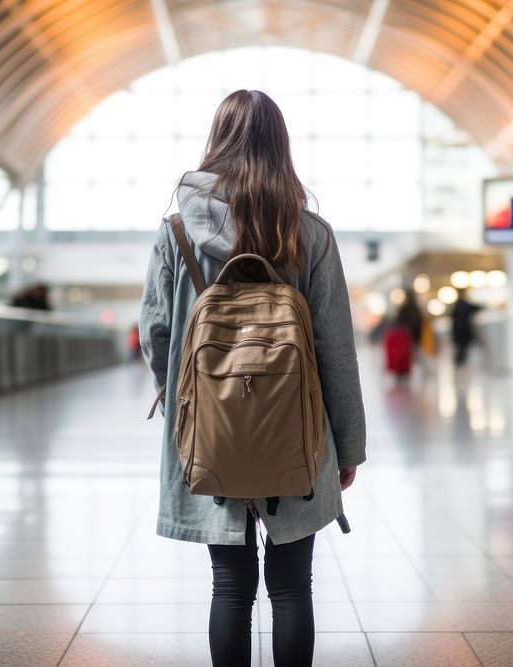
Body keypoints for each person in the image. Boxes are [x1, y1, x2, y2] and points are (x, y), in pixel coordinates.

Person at [139, 90, 366, 667]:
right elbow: (335, 348)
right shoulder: (310, 233)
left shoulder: (176, 230)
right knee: (292, 587)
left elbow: (156, 335)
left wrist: (195, 412)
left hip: (211, 434)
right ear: (280, 147)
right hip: (298, 429)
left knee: (230, 587)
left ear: (218, 142)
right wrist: (348, 447)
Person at [449, 288, 482, 367]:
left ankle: (459, 363)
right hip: (464, 331)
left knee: (460, 348)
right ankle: (461, 364)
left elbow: (451, 315)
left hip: (457, 331)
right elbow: (476, 308)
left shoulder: (456, 305)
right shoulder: (464, 304)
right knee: (463, 349)